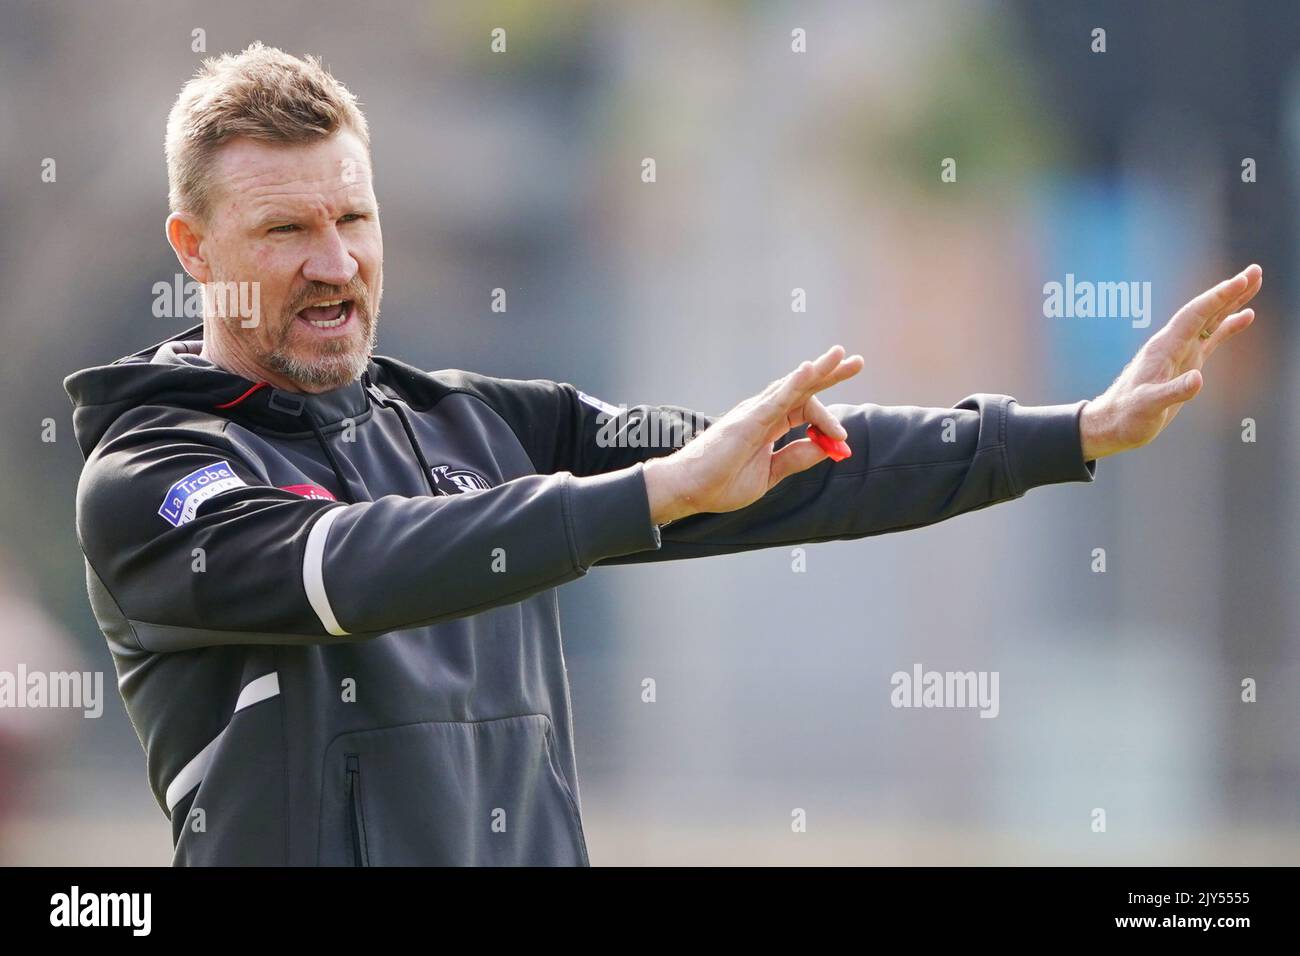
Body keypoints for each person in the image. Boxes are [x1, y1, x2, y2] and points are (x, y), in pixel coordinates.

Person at [64, 43, 1260, 865]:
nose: (334, 261)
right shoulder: (154, 474)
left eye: (353, 217)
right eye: (285, 229)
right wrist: (637, 497)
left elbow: (787, 457)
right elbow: (347, 563)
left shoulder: (477, 422)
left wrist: (1070, 430)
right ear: (192, 244)